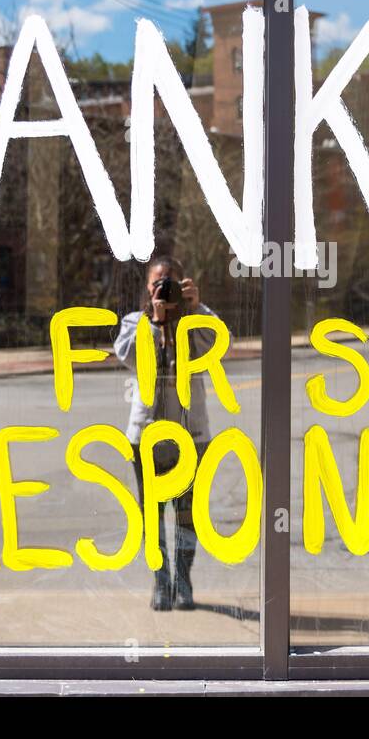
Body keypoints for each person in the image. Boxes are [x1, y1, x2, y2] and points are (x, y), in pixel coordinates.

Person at [114, 255, 220, 612]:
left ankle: (183, 581)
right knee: (152, 513)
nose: (165, 288)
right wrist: (156, 325)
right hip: (147, 435)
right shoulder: (136, 322)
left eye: (172, 281)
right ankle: (161, 582)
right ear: (148, 287)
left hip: (191, 434)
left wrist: (197, 307)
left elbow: (219, 346)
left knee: (187, 513)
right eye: (159, 282)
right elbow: (129, 355)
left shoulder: (195, 321)